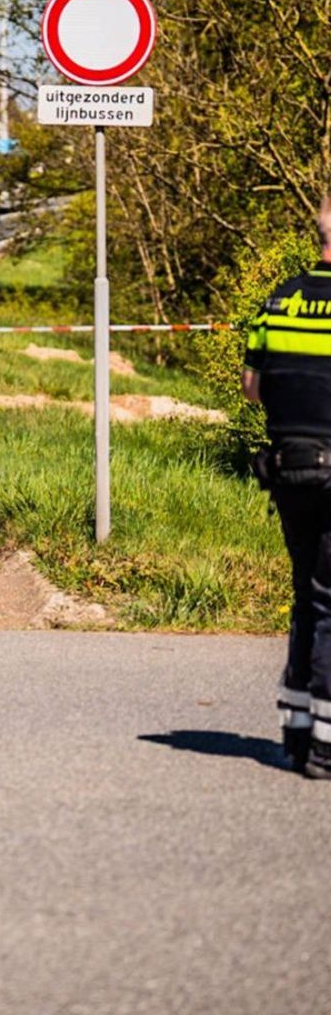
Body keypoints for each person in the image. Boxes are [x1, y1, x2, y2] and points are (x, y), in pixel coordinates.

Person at [242, 197, 331, 776]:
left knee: (307, 593)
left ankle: (297, 730)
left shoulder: (278, 298)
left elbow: (252, 386)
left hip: (288, 465)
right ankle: (325, 744)